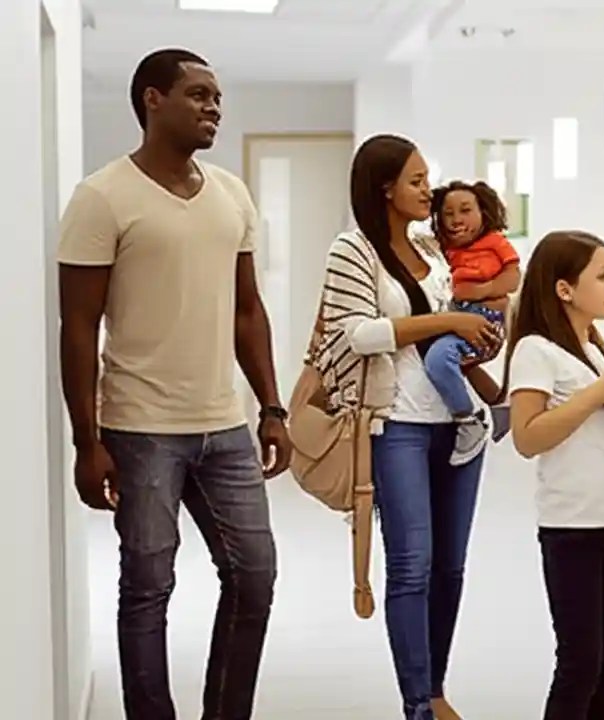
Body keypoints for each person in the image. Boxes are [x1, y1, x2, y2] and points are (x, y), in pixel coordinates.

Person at [58, 49, 291, 720]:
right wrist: (86, 440)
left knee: (255, 576)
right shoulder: (102, 197)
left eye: (217, 96)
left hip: (224, 424)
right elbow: (79, 327)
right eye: (197, 94)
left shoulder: (231, 195)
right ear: (152, 100)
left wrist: (271, 406)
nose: (213, 106)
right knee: (148, 586)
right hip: (139, 429)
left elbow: (249, 311)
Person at [320, 134, 504, 720]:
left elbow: (471, 318)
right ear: (385, 188)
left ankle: (437, 689)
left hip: (458, 423)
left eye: (428, 179)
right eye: (417, 181)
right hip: (396, 421)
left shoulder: (434, 247)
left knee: (450, 566)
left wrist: (479, 333)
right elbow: (355, 334)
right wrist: (447, 320)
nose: (430, 191)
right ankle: (416, 705)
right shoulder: (353, 251)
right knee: (410, 565)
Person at [505, 231, 604, 720]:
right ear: (564, 289)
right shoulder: (535, 350)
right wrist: (598, 391)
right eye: (603, 275)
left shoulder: (592, 345)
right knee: (580, 662)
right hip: (575, 526)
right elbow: (527, 437)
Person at [424, 180, 521, 466]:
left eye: (465, 210)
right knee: (460, 364)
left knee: (440, 360)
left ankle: (468, 418)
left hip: (484, 318)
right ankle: (499, 406)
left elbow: (513, 279)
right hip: (456, 316)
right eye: (448, 213)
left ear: (484, 212)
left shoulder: (494, 242)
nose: (456, 220)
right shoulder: (443, 250)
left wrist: (480, 291)